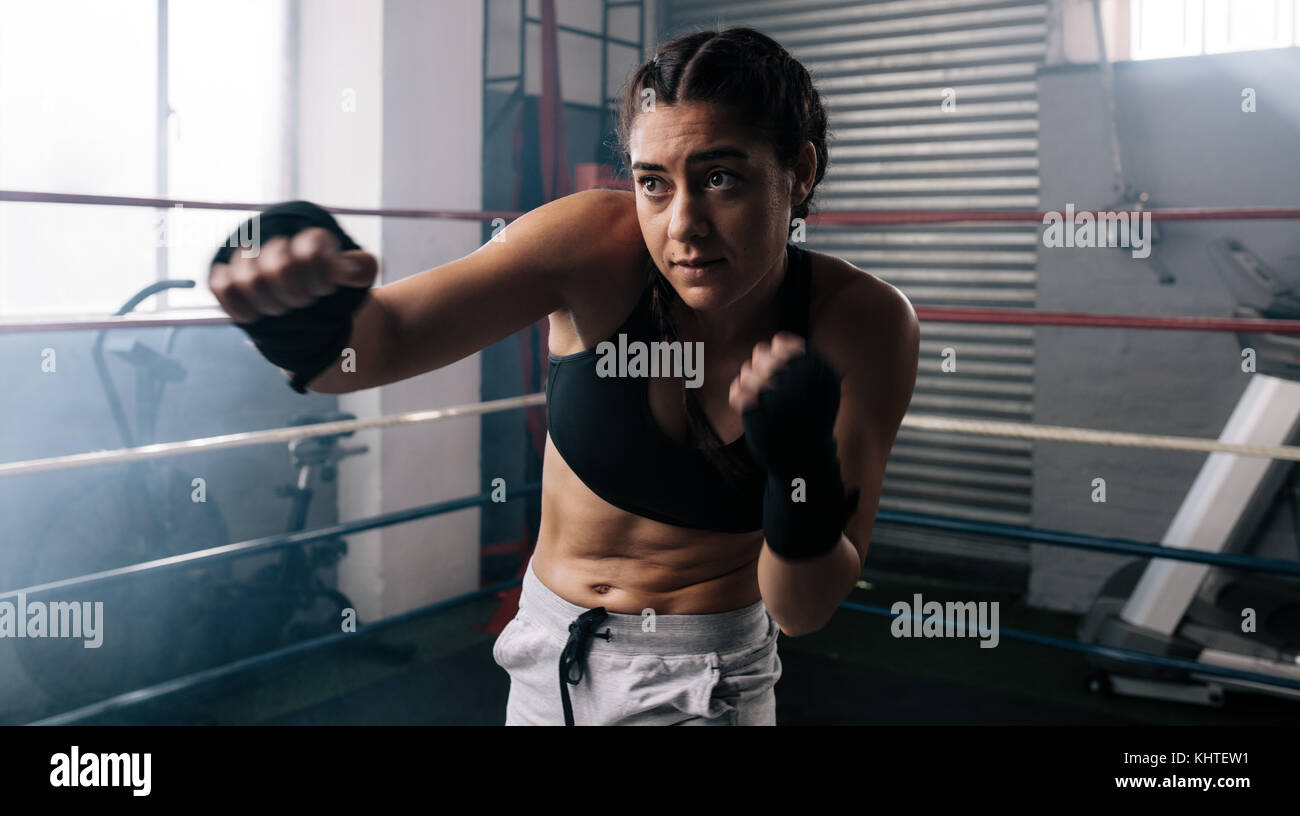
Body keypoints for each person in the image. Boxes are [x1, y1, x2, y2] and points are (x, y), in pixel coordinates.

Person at [208, 26, 919, 725]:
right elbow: (377, 347)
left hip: (702, 681)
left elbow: (802, 609)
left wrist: (801, 472)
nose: (683, 225)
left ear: (799, 172)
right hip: (547, 655)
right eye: (653, 183)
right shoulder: (591, 247)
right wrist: (297, 304)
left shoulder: (863, 322)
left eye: (720, 178)